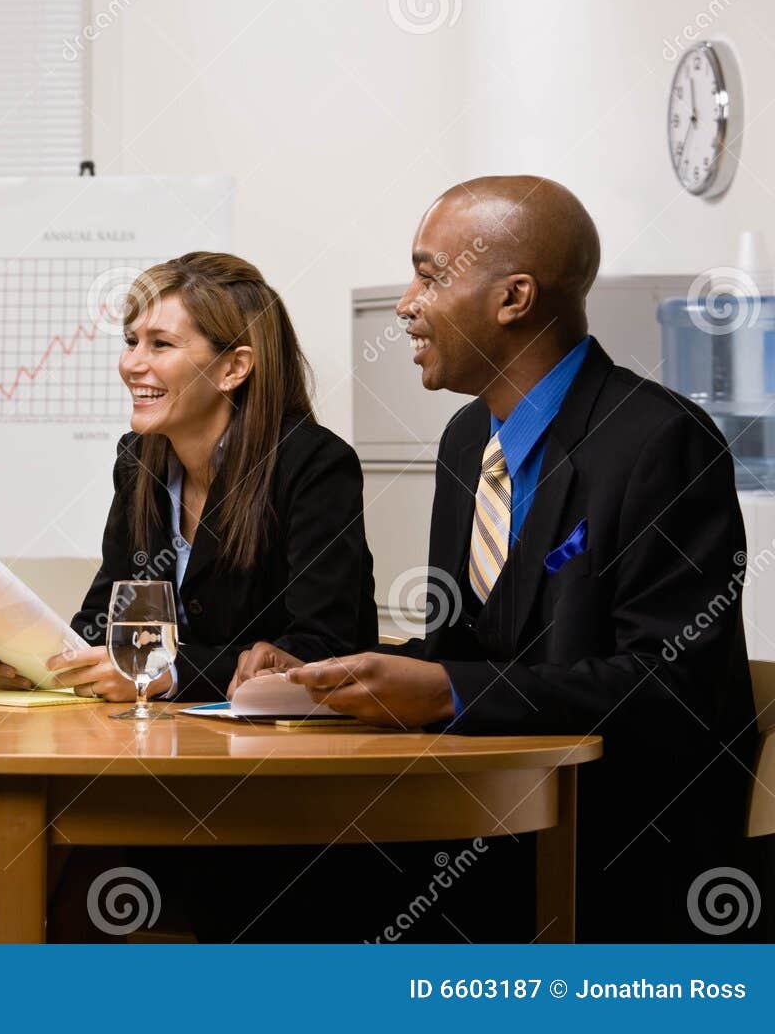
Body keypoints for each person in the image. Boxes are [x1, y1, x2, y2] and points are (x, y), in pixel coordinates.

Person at [246, 176, 763, 941]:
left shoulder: (660, 440)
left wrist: (440, 690)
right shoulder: (465, 442)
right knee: (256, 881)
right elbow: (474, 649)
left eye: (429, 274)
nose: (405, 304)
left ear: (513, 297)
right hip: (485, 826)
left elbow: (670, 685)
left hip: (615, 854)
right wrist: (335, 677)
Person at [0, 251, 378, 940]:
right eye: (130, 341)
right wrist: (33, 653)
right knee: (37, 842)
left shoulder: (313, 466)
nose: (132, 363)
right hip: (147, 771)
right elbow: (105, 616)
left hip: (269, 792)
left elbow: (324, 650)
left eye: (160, 344)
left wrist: (169, 671)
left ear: (235, 366)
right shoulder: (141, 460)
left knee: (59, 859)